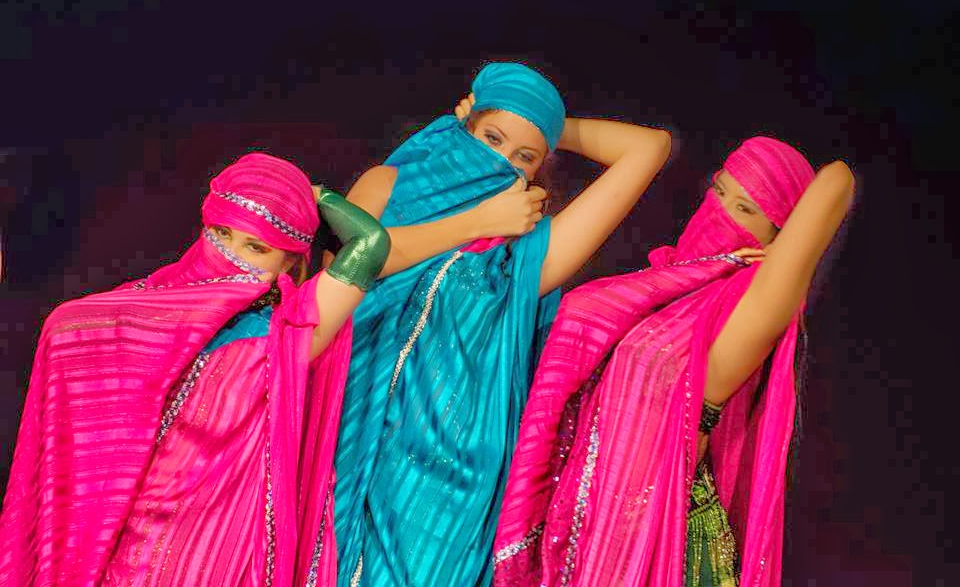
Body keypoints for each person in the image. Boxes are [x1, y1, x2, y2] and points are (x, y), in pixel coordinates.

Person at [332, 61, 672, 587]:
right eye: (492, 136)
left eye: (525, 157)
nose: (502, 161)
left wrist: (549, 122)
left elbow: (648, 148)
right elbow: (363, 257)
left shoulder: (521, 258)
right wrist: (477, 219)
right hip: (346, 441)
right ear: (463, 126)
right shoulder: (388, 184)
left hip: (449, 490)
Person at [0, 152, 390, 587]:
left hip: (214, 546)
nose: (231, 255)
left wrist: (315, 196)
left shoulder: (293, 329)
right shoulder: (150, 308)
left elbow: (370, 243)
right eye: (221, 234)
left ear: (289, 261)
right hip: (134, 536)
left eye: (256, 247)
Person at [493, 137, 855, 587]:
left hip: (666, 546)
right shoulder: (657, 290)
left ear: (779, 238)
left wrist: (779, 256)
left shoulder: (744, 313)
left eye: (746, 210)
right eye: (719, 191)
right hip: (583, 525)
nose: (719, 213)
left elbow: (835, 182)